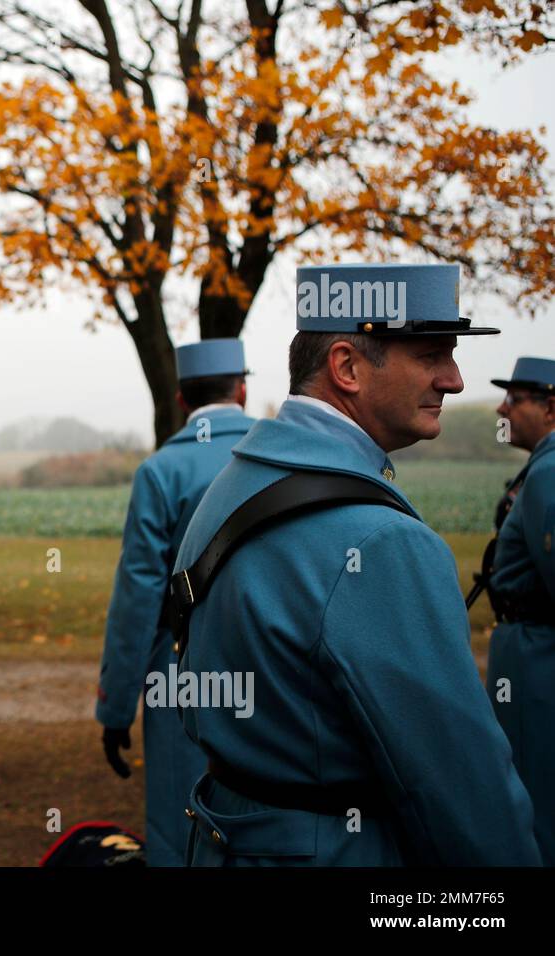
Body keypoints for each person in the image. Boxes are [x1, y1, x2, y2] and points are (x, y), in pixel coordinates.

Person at [175, 263, 540, 866]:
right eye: (431, 354)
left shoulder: (234, 484)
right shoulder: (383, 543)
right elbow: (464, 791)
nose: (453, 379)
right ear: (346, 367)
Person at [96, 338, 254, 866]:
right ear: (244, 390)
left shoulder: (162, 471)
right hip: (278, 663)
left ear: (182, 400)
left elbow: (139, 595)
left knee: (179, 824)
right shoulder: (282, 458)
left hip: (181, 668)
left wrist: (116, 707)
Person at [484, 356, 555, 865]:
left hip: (540, 665)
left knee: (535, 804)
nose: (501, 408)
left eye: (515, 399)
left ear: (550, 407)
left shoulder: (550, 472)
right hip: (532, 656)